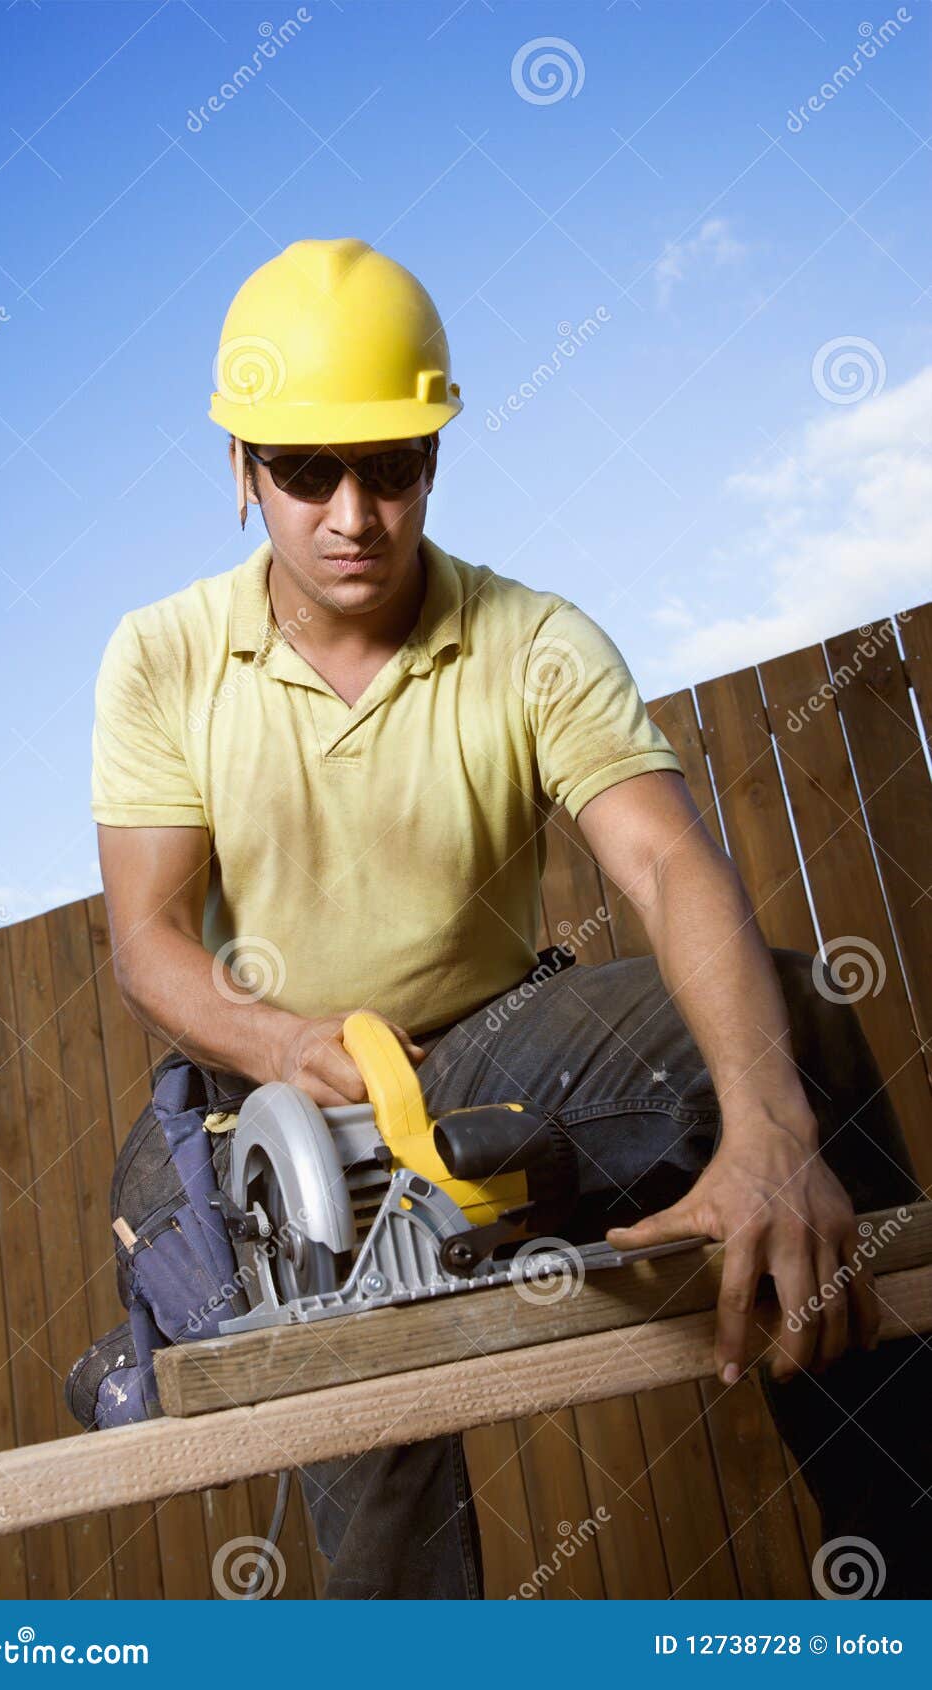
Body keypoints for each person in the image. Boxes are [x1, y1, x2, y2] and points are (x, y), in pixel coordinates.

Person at [91, 236, 929, 1600]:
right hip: (272, 1099)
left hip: (483, 1055)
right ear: (240, 470)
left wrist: (770, 1128)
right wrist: (281, 1039)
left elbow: (662, 865)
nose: (352, 512)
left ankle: (910, 1574)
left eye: (393, 465)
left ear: (436, 455)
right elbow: (149, 939)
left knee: (799, 1028)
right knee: (366, 1416)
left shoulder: (534, 638)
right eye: (307, 470)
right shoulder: (162, 656)